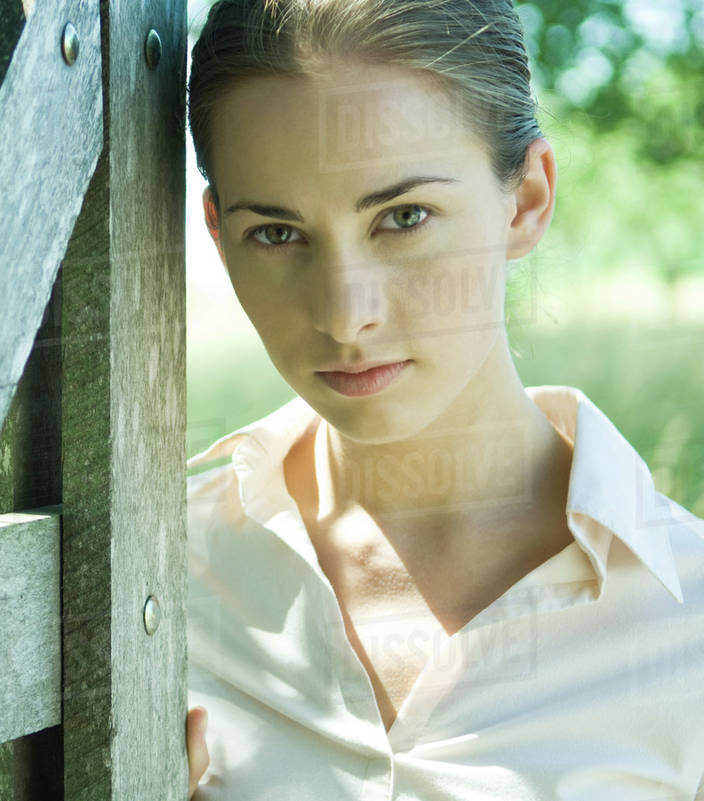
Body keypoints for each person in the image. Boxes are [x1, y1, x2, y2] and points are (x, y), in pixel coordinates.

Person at [180, 1, 704, 799]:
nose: (343, 313)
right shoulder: (160, 582)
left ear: (525, 199)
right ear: (218, 233)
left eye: (404, 217)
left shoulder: (686, 629)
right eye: (278, 233)